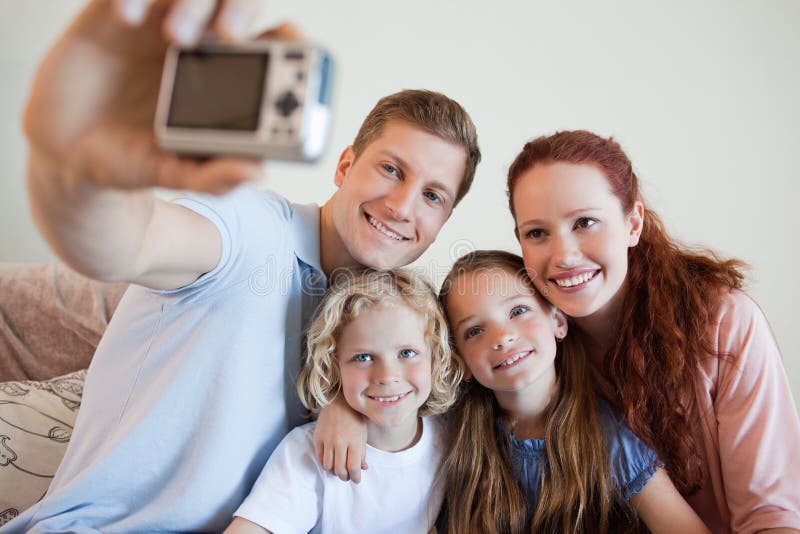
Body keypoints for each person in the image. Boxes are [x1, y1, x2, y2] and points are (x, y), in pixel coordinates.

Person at [2, 0, 480, 531]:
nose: (402, 206)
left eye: (433, 196)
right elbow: (125, 243)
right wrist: (74, 165)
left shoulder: (386, 324)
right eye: (391, 169)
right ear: (345, 165)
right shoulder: (249, 228)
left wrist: (344, 405)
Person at [506, 130, 800, 533]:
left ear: (633, 223)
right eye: (537, 233)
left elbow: (771, 517)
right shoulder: (528, 348)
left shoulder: (724, 322)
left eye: (586, 222)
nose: (564, 255)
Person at [437, 250, 709, 533]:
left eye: (517, 311)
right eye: (474, 331)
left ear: (558, 321)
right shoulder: (451, 436)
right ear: (461, 360)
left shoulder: (608, 436)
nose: (502, 337)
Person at [225, 269, 462, 533]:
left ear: (436, 357)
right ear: (335, 366)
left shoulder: (452, 443)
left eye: (407, 353)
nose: (387, 376)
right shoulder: (307, 452)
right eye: (363, 357)